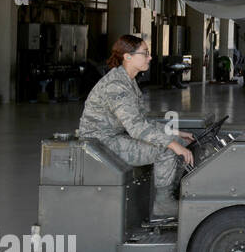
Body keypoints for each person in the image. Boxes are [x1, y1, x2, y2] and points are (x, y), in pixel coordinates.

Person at [78, 34, 196, 222]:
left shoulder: (128, 81)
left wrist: (177, 134)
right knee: (166, 149)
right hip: (101, 143)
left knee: (178, 143)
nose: (150, 57)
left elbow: (142, 120)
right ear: (128, 56)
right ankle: (162, 203)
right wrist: (172, 143)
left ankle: (169, 194)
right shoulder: (116, 85)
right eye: (145, 53)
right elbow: (137, 128)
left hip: (116, 136)